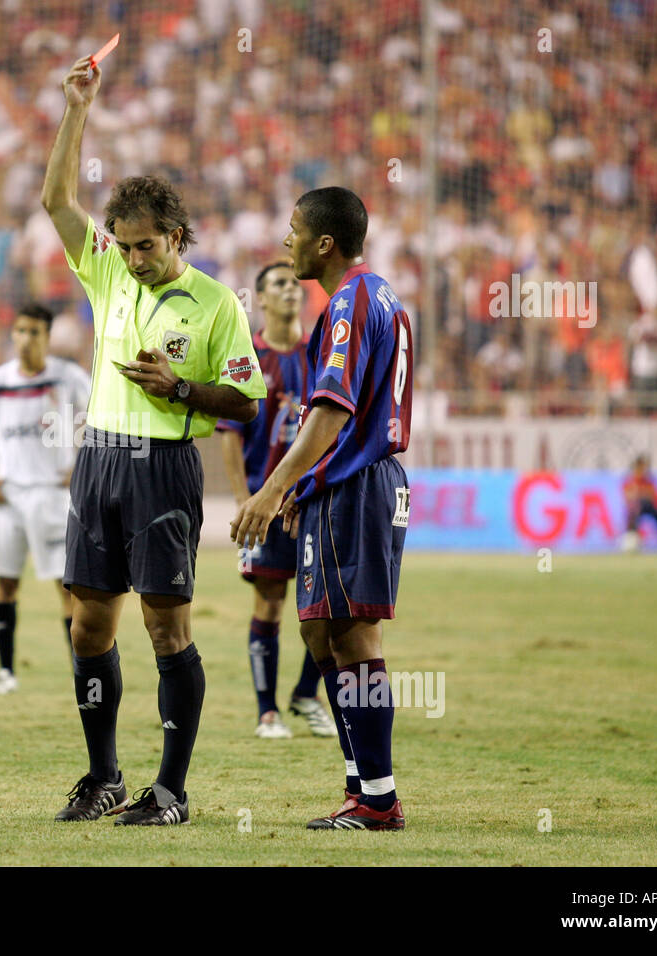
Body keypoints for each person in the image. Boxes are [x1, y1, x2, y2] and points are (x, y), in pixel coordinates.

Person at [41, 57, 265, 825]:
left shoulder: (214, 305)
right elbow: (55, 198)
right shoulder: (106, 274)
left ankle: (171, 791)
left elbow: (243, 402)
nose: (132, 260)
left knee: (166, 628)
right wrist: (77, 109)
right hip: (98, 459)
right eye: (123, 246)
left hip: (164, 468)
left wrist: (180, 390)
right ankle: (104, 774)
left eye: (144, 247)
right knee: (87, 623)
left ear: (175, 236)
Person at [231, 186, 413, 831]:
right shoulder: (377, 294)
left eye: (294, 231)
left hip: (358, 483)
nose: (288, 242)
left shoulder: (350, 301)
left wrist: (274, 487)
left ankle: (378, 799)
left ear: (324, 243)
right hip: (346, 484)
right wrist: (302, 490)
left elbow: (333, 412)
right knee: (323, 631)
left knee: (353, 635)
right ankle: (362, 785)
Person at [218, 260, 336, 740]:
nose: (291, 289)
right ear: (261, 298)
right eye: (279, 284)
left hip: (312, 501)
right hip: (266, 505)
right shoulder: (247, 355)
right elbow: (229, 433)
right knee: (269, 602)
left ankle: (306, 694)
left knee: (325, 609)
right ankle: (267, 712)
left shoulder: (322, 353)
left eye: (295, 283)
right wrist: (245, 500)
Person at [0, 302, 92, 695]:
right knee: (5, 585)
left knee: (67, 587)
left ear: (47, 337)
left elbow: (98, 420)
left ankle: (81, 673)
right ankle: (6, 673)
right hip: (8, 497)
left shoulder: (69, 377)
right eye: (19, 331)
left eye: (33, 332)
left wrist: (82, 467)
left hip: (53, 496)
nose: (24, 339)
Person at [622, 455, 657, 547]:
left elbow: (653, 495)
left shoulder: (648, 480)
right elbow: (628, 497)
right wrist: (640, 493)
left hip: (648, 505)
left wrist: (640, 493)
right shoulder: (630, 480)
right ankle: (633, 541)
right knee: (633, 515)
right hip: (636, 507)